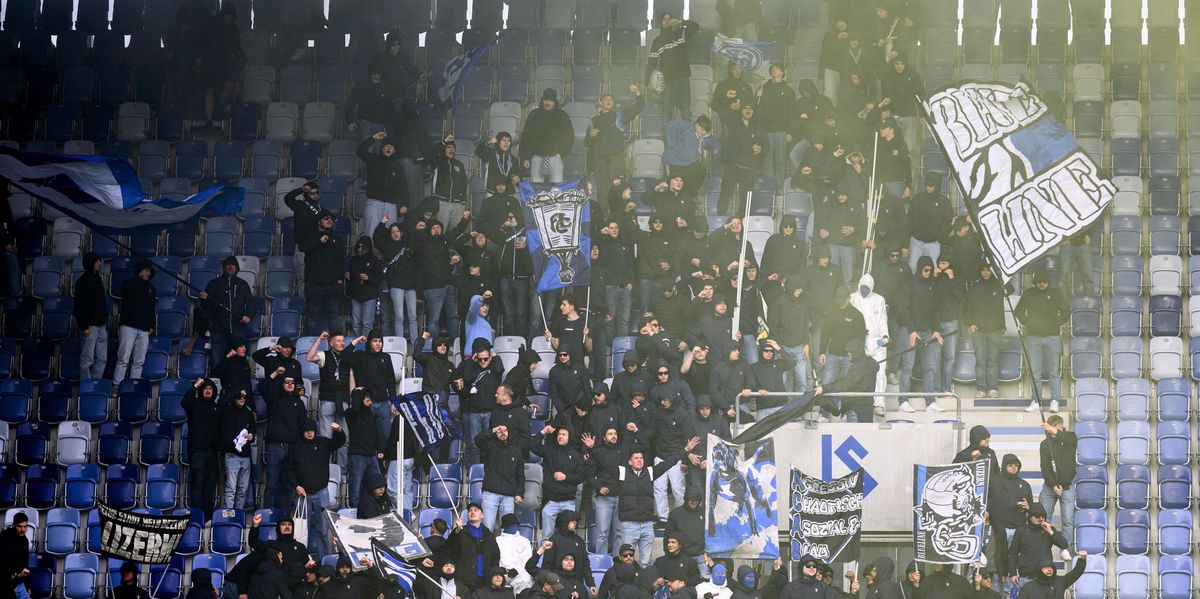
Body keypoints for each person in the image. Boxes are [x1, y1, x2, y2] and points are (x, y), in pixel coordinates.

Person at [615, 441, 697, 568]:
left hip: (647, 525)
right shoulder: (622, 472)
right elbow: (605, 463)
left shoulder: (649, 472)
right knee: (626, 562)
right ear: (630, 462)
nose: (639, 460)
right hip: (629, 525)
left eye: (641, 458)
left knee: (645, 563)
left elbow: (668, 463)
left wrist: (685, 450)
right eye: (636, 458)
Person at [286, 419, 345, 557]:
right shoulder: (295, 447)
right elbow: (288, 470)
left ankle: (324, 560)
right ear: (303, 432)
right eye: (307, 431)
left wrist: (339, 430)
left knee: (323, 529)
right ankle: (301, 560)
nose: (309, 433)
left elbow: (340, 442)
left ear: (315, 431)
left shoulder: (323, 443)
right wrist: (296, 486)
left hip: (321, 492)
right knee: (301, 530)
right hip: (302, 495)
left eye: (311, 430)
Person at [1013, 269, 1069, 413]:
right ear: (1035, 282)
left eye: (1044, 282)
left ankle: (1055, 401)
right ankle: (1036, 401)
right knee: (1035, 372)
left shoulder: (1056, 293)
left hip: (1052, 337)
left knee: (1054, 372)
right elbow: (1018, 311)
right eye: (1039, 282)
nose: (1042, 284)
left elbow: (1066, 311)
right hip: (1033, 337)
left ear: (1048, 282)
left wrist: (1057, 322)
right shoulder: (1028, 294)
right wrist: (1028, 323)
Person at [897, 256, 943, 412]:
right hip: (910, 331)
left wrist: (936, 330)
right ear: (919, 268)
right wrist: (911, 331)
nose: (928, 273)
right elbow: (903, 309)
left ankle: (930, 402)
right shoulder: (909, 284)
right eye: (926, 270)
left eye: (930, 270)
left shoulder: (932, 285)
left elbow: (936, 310)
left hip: (928, 331)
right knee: (907, 367)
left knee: (929, 368)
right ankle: (903, 401)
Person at [587, 85, 645, 201]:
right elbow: (586, 143)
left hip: (615, 160)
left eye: (611, 100)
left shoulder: (619, 116)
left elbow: (639, 107)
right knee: (602, 194)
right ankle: (603, 213)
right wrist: (591, 136)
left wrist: (638, 93)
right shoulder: (594, 121)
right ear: (600, 102)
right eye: (606, 99)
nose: (609, 101)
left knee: (618, 192)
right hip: (599, 162)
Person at [456, 338, 506, 465]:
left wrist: (495, 358)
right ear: (475, 356)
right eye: (480, 359)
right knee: (473, 444)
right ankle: (474, 470)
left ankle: (488, 469)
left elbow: (500, 370)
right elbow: (465, 380)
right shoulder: (467, 364)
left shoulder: (494, 363)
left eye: (486, 358)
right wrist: (471, 362)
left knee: (491, 442)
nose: (483, 361)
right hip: (473, 412)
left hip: (490, 410)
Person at [991, 454, 1033, 593]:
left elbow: (1032, 509)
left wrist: (1028, 507)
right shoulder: (995, 482)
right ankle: (996, 593)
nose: (1014, 467)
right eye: (1010, 465)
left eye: (1016, 465)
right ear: (1004, 466)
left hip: (1018, 529)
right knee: (998, 561)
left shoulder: (1024, 485)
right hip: (999, 529)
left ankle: (1010, 593)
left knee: (1013, 562)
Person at [202, 256, 257, 362]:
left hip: (238, 330)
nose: (230, 267)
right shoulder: (213, 284)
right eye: (228, 264)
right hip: (218, 331)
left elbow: (251, 303)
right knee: (218, 361)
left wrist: (248, 316)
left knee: (238, 361)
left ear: (237, 267)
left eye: (233, 265)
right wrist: (204, 299)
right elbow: (207, 307)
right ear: (224, 267)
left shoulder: (243, 284)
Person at [1038, 415, 1077, 560]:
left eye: (1061, 427)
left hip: (1067, 486)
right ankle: (1043, 547)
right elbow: (1045, 468)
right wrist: (1054, 485)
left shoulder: (1070, 438)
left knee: (1068, 520)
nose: (1060, 430)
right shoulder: (1045, 444)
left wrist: (1054, 430)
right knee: (1043, 518)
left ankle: (1064, 548)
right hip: (1050, 487)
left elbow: (1069, 439)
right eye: (1058, 427)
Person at [300, 211, 346, 335]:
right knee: (312, 317)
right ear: (318, 221)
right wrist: (319, 241)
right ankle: (308, 344)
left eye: (331, 219)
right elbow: (302, 247)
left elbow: (341, 261)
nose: (329, 220)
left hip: (333, 285)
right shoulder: (311, 236)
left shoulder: (337, 239)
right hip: (315, 285)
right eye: (326, 218)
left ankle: (337, 344)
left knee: (334, 316)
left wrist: (340, 278)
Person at [647, 13, 699, 121]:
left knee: (686, 112)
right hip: (667, 80)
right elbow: (651, 62)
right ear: (660, 23)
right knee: (667, 113)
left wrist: (680, 22)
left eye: (669, 18)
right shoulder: (657, 41)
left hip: (682, 78)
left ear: (673, 21)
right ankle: (667, 133)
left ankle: (686, 132)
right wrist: (648, 81)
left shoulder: (681, 34)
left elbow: (695, 26)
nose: (667, 21)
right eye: (664, 19)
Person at [346, 330, 396, 444]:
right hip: (366, 403)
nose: (378, 344)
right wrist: (356, 341)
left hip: (383, 404)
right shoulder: (360, 355)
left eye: (380, 341)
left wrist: (393, 401)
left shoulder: (386, 357)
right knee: (366, 436)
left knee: (385, 436)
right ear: (369, 343)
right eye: (375, 341)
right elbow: (344, 357)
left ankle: (383, 456)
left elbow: (391, 381)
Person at [534, 430, 585, 539]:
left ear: (569, 437)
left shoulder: (575, 455)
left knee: (569, 536)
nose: (560, 436)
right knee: (547, 537)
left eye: (564, 434)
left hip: (568, 502)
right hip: (550, 501)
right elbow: (531, 446)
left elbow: (581, 476)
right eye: (559, 434)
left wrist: (565, 477)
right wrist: (542, 432)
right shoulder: (549, 450)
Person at [717, 102, 765, 216]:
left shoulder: (758, 126)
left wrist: (761, 149)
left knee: (745, 199)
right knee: (725, 195)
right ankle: (720, 220)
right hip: (732, 165)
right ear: (740, 110)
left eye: (751, 108)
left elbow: (766, 145)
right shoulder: (732, 122)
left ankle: (742, 223)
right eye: (745, 108)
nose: (748, 111)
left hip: (748, 167)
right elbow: (721, 113)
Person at [965, 263, 1005, 398]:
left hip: (995, 330)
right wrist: (970, 323)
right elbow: (967, 307)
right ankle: (981, 389)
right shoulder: (974, 287)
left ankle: (993, 389)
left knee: (993, 361)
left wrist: (999, 273)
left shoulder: (999, 286)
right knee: (981, 362)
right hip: (979, 331)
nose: (986, 272)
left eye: (988, 270)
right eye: (983, 270)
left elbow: (1010, 288)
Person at [1008, 503, 1070, 592]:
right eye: (1037, 516)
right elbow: (1013, 553)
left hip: (1045, 578)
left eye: (1042, 516)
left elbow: (1064, 545)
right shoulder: (1021, 530)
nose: (1040, 519)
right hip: (1026, 578)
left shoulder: (1049, 530)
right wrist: (1013, 573)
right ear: (1030, 517)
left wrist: (1051, 532)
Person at [182, 377, 221, 518]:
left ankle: (208, 517)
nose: (208, 391)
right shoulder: (195, 404)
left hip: (212, 452)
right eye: (205, 389)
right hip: (197, 451)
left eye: (210, 388)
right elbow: (185, 402)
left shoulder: (216, 407)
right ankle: (197, 516)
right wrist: (196, 386)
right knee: (197, 484)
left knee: (209, 485)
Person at [476, 424, 525, 531]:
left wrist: (519, 493)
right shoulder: (490, 447)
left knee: (508, 529)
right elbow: (477, 439)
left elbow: (520, 475)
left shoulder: (516, 451)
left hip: (509, 495)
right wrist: (492, 430)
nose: (503, 432)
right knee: (487, 528)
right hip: (490, 493)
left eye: (505, 430)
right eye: (499, 431)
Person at [114, 258, 156, 382]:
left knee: (139, 361)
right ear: (139, 271)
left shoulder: (151, 288)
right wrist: (138, 278)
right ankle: (117, 385)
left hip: (144, 329)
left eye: (149, 271)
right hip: (128, 326)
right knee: (123, 359)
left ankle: (133, 386)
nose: (147, 273)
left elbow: (152, 308)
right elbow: (126, 295)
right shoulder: (129, 283)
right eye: (145, 270)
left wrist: (152, 325)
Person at [520, 88, 574, 183]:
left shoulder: (562, 116)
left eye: (550, 100)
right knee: (536, 187)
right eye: (545, 100)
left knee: (556, 187)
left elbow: (569, 137)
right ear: (542, 101)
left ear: (555, 102)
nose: (547, 102)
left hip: (555, 157)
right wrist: (525, 158)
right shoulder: (534, 115)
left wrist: (561, 153)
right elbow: (526, 137)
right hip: (537, 156)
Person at [357, 132, 406, 233]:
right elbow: (360, 151)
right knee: (370, 232)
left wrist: (405, 204)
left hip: (390, 205)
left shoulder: (398, 166)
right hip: (374, 202)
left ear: (394, 151)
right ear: (381, 149)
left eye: (391, 147)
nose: (389, 148)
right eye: (386, 146)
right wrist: (373, 138)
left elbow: (403, 186)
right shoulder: (373, 159)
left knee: (389, 234)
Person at [448, 504, 502, 595]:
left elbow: (495, 556)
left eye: (476, 510)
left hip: (485, 580)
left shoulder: (489, 535)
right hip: (464, 580)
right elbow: (451, 547)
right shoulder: (460, 532)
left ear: (482, 515)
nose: (472, 512)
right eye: (470, 511)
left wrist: (492, 575)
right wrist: (457, 530)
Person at [344, 388, 383, 510]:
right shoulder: (351, 413)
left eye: (370, 398)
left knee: (378, 484)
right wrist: (357, 393)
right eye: (366, 397)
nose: (369, 400)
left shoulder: (370, 414)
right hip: (357, 455)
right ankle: (354, 514)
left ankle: (377, 510)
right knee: (355, 489)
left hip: (371, 455)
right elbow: (354, 409)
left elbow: (375, 433)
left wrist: (379, 450)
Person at [664, 115, 717, 201]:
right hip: (676, 162)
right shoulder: (687, 127)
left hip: (689, 164)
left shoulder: (703, 136)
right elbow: (671, 125)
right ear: (697, 125)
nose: (703, 132)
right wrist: (671, 144)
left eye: (705, 131)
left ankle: (691, 197)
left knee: (701, 170)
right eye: (702, 129)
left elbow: (709, 141)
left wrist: (714, 148)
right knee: (673, 188)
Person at [73, 252, 109, 379]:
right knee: (87, 360)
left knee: (102, 359)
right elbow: (78, 306)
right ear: (90, 263)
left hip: (101, 325)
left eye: (99, 261)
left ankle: (95, 384)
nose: (99, 263)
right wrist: (84, 326)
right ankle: (85, 385)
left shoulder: (98, 278)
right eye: (96, 261)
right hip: (89, 327)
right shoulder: (82, 282)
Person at [906, 172, 951, 271]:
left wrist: (939, 237)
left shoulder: (945, 202)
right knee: (912, 267)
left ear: (937, 186)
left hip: (933, 242)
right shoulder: (917, 199)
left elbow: (948, 222)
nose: (928, 187)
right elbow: (909, 219)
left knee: (934, 270)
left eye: (931, 185)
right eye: (926, 185)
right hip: (916, 241)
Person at [220, 387, 256, 509]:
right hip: (232, 455)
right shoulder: (228, 410)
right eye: (239, 397)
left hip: (246, 455)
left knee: (243, 489)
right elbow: (222, 402)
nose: (242, 399)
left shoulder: (248, 413)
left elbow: (253, 431)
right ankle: (229, 516)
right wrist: (236, 392)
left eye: (244, 397)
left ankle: (238, 515)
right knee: (231, 489)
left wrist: (252, 435)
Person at [428, 135, 471, 230]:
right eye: (448, 147)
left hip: (457, 204)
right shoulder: (438, 161)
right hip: (441, 203)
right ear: (444, 149)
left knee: (455, 234)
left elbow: (464, 184)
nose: (451, 149)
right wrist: (444, 141)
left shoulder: (459, 164)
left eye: (453, 147)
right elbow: (432, 155)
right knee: (440, 231)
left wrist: (463, 203)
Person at [346, 236, 383, 337]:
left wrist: (368, 278)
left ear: (368, 248)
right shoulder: (353, 260)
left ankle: (366, 345)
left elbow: (379, 279)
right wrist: (347, 274)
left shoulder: (374, 261)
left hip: (370, 295)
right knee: (356, 324)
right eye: (358, 247)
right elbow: (350, 274)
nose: (360, 249)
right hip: (356, 294)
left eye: (363, 247)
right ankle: (357, 344)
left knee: (367, 324)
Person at [666, 488, 707, 578]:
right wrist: (670, 557)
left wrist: (708, 553)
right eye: (692, 500)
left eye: (697, 500)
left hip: (700, 556)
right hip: (683, 556)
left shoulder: (704, 513)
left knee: (704, 582)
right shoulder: (675, 514)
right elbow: (668, 536)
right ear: (686, 499)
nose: (694, 502)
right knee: (683, 582)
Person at [1015, 553, 1087, 599]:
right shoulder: (1028, 588)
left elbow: (1076, 573)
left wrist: (1082, 560)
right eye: (1046, 567)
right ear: (1039, 569)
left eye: (1051, 567)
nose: (1049, 569)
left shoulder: (1060, 582)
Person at [495, 514, 534, 593]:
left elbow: (527, 559)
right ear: (504, 527)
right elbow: (494, 557)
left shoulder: (524, 541)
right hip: (501, 572)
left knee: (524, 581)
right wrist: (500, 568)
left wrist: (517, 570)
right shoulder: (496, 540)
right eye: (511, 525)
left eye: (515, 525)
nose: (514, 527)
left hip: (519, 572)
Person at [0, 512, 31, 599]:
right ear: (14, 525)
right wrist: (15, 573)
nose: (22, 530)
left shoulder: (25, 541)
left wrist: (27, 586)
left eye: (25, 526)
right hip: (5, 584)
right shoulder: (4, 537)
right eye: (19, 526)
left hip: (19, 583)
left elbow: (25, 564)